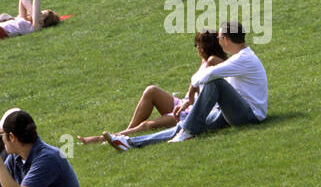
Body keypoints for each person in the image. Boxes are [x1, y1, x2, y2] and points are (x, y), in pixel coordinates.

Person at [81, 30, 227, 149]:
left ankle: (102, 139)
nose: (196, 48)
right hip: (186, 104)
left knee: (148, 125)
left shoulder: (215, 62)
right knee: (151, 91)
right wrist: (188, 98)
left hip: (194, 112)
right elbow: (195, 81)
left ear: (204, 48)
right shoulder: (205, 61)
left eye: (197, 45)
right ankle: (125, 133)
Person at [170, 22, 266, 143]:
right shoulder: (241, 57)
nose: (218, 41)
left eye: (219, 38)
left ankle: (188, 132)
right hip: (234, 112)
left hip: (249, 116)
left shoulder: (243, 59)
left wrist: (192, 87)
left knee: (216, 82)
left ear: (225, 39)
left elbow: (210, 74)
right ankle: (139, 141)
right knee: (182, 126)